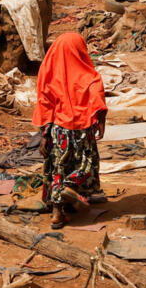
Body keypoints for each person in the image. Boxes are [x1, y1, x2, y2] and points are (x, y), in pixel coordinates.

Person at [34, 32, 107, 229]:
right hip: (82, 129)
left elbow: (44, 102)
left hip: (59, 130)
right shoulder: (88, 74)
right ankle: (70, 188)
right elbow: (97, 95)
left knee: (58, 168)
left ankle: (58, 213)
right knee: (86, 164)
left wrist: (44, 134)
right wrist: (101, 119)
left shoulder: (48, 72)